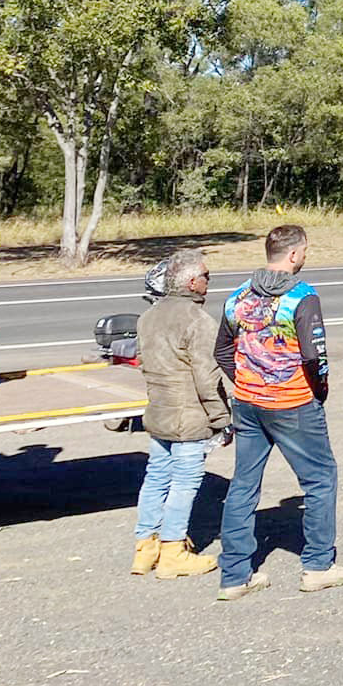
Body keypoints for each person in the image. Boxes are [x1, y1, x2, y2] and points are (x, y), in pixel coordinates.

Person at [214, 224, 343, 600]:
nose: (305, 257)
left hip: (247, 402)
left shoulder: (237, 297)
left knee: (244, 485)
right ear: (294, 254)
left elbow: (223, 351)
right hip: (293, 401)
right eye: (305, 251)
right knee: (320, 479)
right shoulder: (303, 297)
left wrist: (247, 380)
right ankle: (317, 566)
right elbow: (315, 355)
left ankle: (234, 576)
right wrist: (319, 391)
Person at [131, 248, 229, 579]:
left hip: (158, 410)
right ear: (190, 282)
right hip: (188, 416)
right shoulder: (197, 320)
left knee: (156, 476)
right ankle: (174, 551)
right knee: (185, 482)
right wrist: (222, 419)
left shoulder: (149, 316)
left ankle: (145, 548)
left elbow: (145, 365)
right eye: (205, 276)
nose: (208, 281)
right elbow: (208, 376)